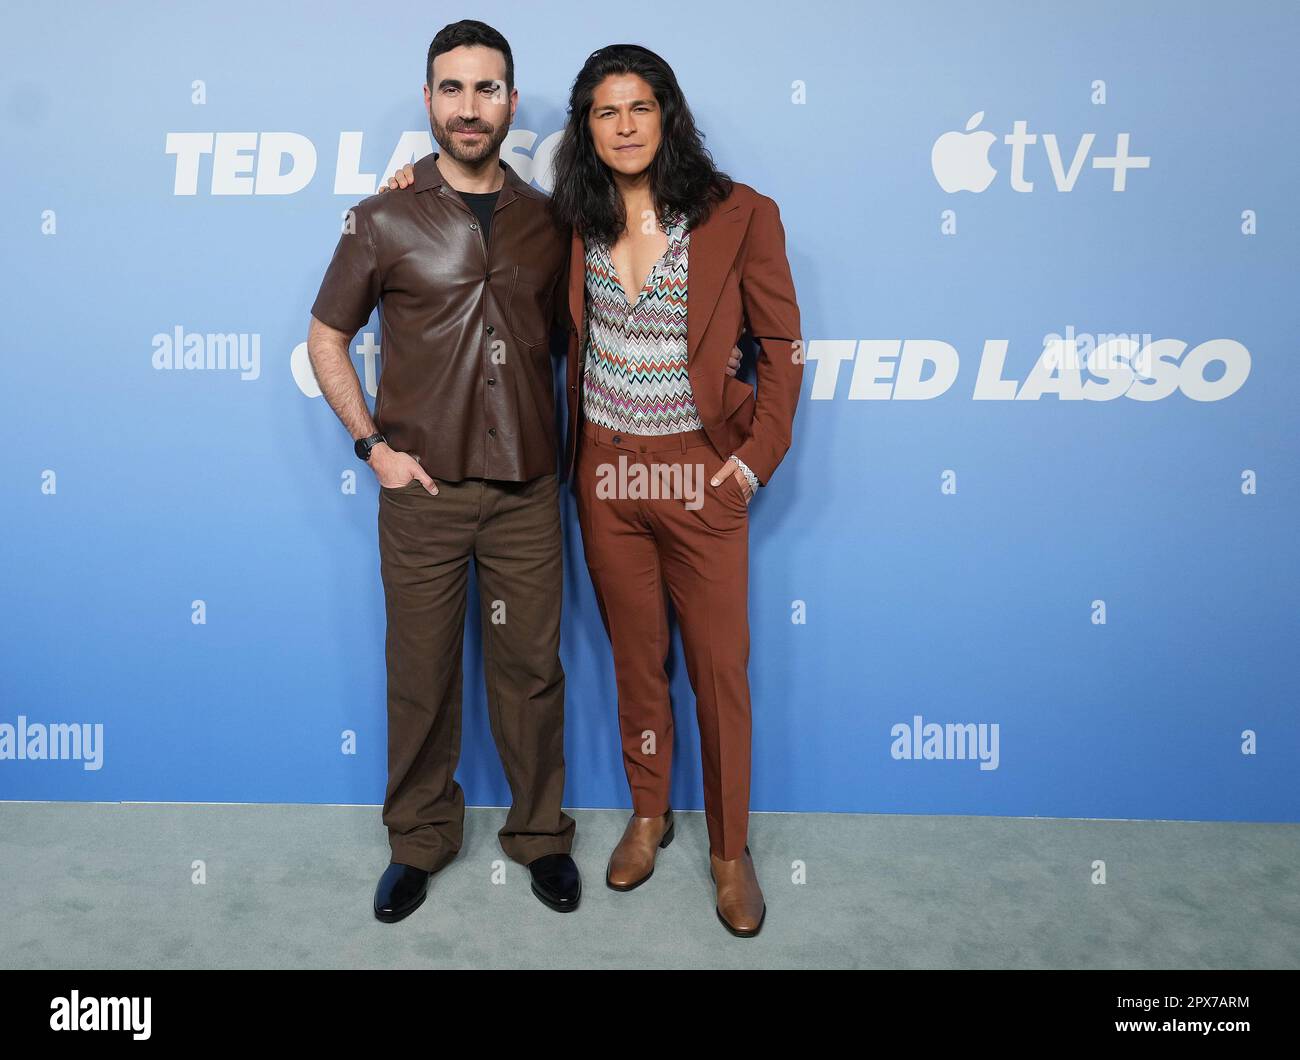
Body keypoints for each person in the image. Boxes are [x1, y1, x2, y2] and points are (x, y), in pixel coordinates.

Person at [306, 20, 582, 923]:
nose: (471, 107)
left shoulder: (551, 223)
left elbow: (580, 346)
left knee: (532, 673)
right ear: (429, 101)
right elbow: (326, 339)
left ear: (511, 100)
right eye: (453, 89)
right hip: (421, 495)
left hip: (528, 496)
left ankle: (540, 838)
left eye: (488, 88)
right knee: (419, 675)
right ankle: (418, 842)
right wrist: (371, 448)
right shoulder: (382, 217)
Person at [550, 44, 803, 937]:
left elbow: (782, 350)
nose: (623, 127)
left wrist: (751, 463)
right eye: (605, 112)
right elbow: (477, 214)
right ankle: (649, 815)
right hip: (607, 474)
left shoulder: (740, 215)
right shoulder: (570, 218)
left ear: (668, 116)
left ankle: (730, 854)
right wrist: (411, 179)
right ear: (587, 128)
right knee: (636, 661)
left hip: (700, 473)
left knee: (719, 672)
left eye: (639, 108)